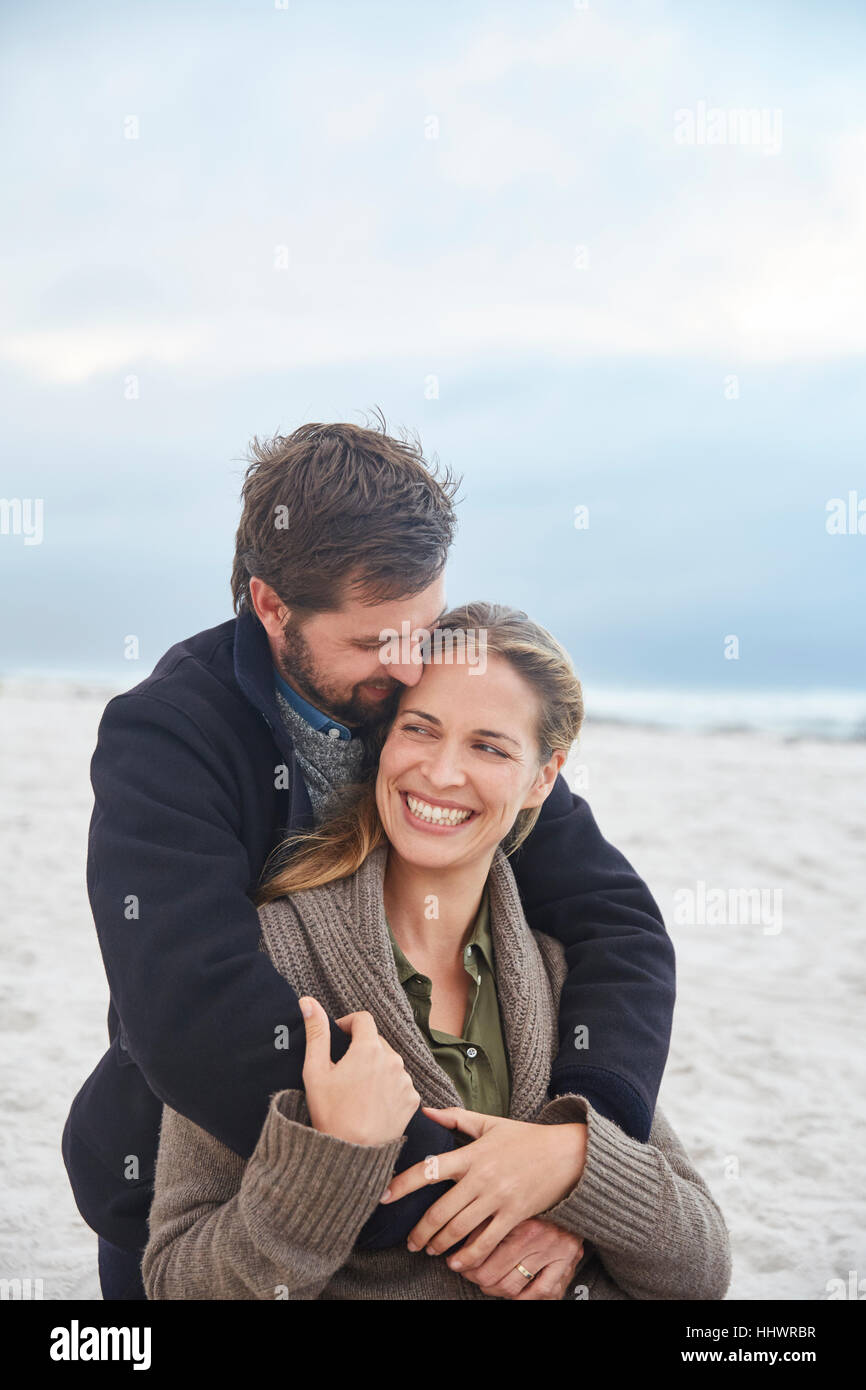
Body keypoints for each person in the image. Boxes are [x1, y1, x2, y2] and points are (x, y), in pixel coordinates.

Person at [62, 419, 676, 1299]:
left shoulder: (425, 703)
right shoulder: (166, 735)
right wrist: (467, 1196)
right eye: (374, 642)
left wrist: (573, 1151)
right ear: (272, 607)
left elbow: (619, 925)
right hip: (180, 1185)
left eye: (421, 630)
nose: (408, 667)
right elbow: (190, 1011)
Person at [142, 603, 730, 1300]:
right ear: (384, 740)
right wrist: (333, 1162)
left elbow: (701, 1271)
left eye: (489, 747)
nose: (443, 773)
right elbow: (177, 1281)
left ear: (544, 777)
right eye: (421, 729)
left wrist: (576, 1170)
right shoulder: (272, 961)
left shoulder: (561, 974)